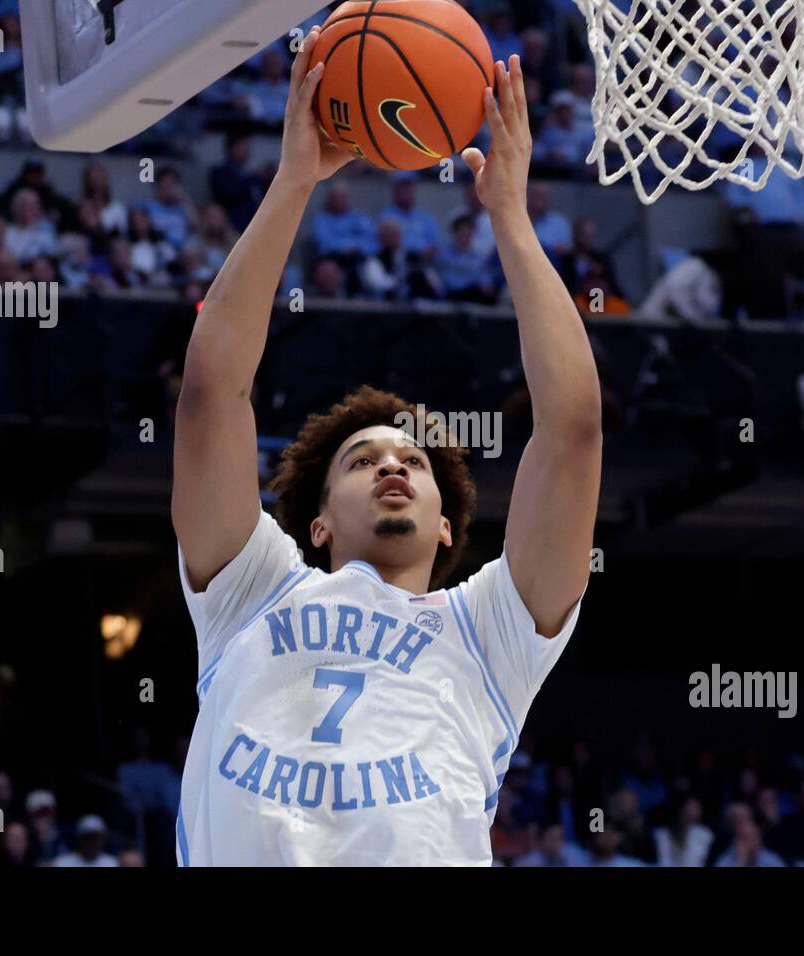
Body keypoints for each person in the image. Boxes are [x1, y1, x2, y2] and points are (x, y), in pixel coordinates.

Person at [172, 39, 601, 866]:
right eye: (362, 462)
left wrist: (509, 215)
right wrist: (295, 179)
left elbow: (573, 430)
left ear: (449, 529)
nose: (394, 466)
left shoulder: (488, 634)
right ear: (318, 524)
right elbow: (208, 394)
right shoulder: (249, 592)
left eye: (413, 464)